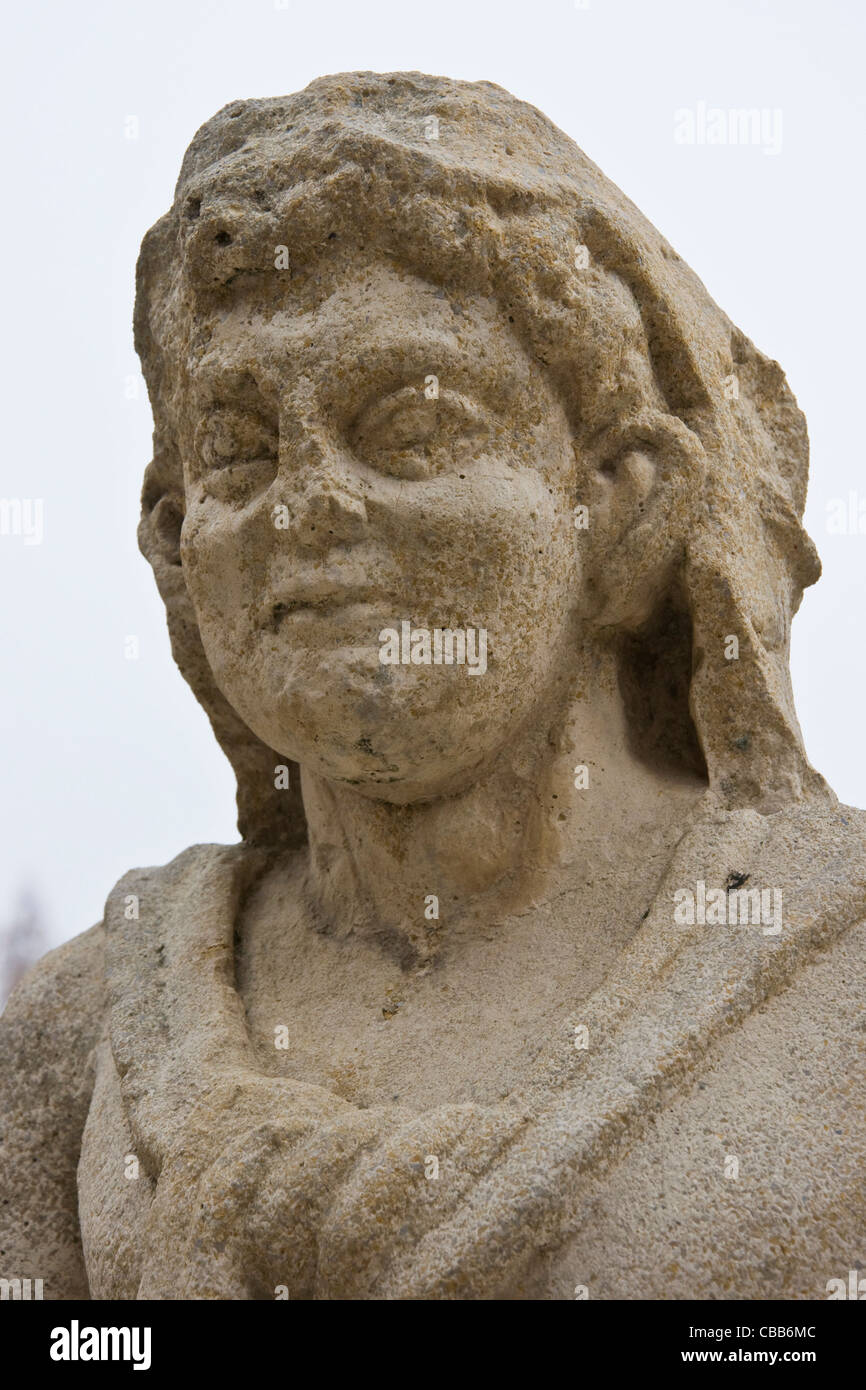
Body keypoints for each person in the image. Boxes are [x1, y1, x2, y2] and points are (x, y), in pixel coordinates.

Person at [3, 72, 864, 1300]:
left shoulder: (832, 978)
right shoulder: (82, 1029)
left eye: (411, 431)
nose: (304, 506)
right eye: (241, 452)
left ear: (620, 507)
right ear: (176, 541)